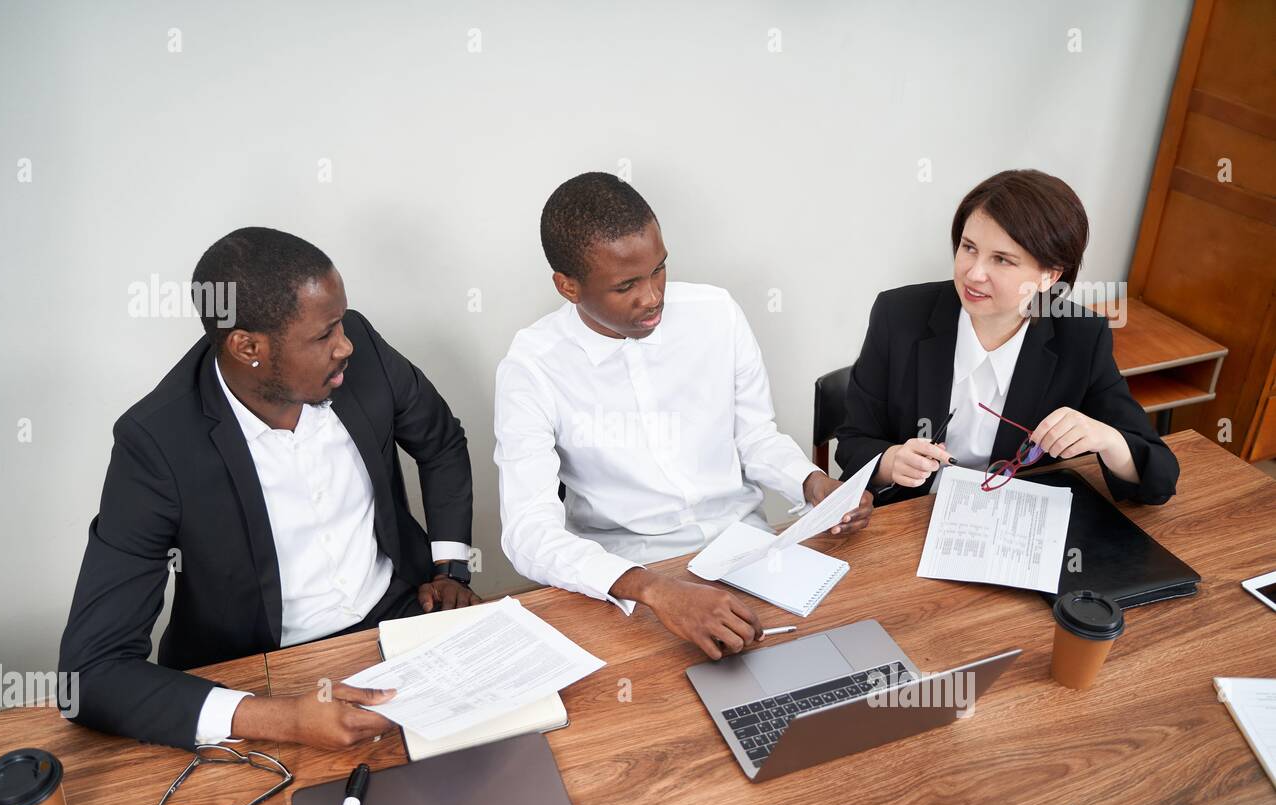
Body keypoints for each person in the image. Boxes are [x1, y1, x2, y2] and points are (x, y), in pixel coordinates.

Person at [59, 227, 478, 751]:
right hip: (256, 677)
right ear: (248, 346)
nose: (344, 344)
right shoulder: (156, 445)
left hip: (400, 625)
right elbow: (89, 674)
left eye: (342, 323)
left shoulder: (361, 348)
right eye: (324, 334)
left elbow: (441, 442)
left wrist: (450, 565)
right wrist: (282, 720)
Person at [495, 172, 873, 662]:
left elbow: (755, 437)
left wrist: (811, 483)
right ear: (567, 286)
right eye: (626, 285)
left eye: (659, 269)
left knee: (845, 659)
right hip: (629, 577)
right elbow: (528, 532)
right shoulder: (532, 366)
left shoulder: (716, 312)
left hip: (748, 551)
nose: (652, 296)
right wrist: (656, 590)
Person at [834, 168, 1178, 505]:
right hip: (908, 518)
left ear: (1049, 275)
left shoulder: (1081, 337)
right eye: (969, 247)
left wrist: (1108, 439)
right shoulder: (899, 314)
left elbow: (1159, 479)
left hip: (1015, 526)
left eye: (1001, 259)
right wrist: (891, 461)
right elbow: (852, 443)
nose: (974, 273)